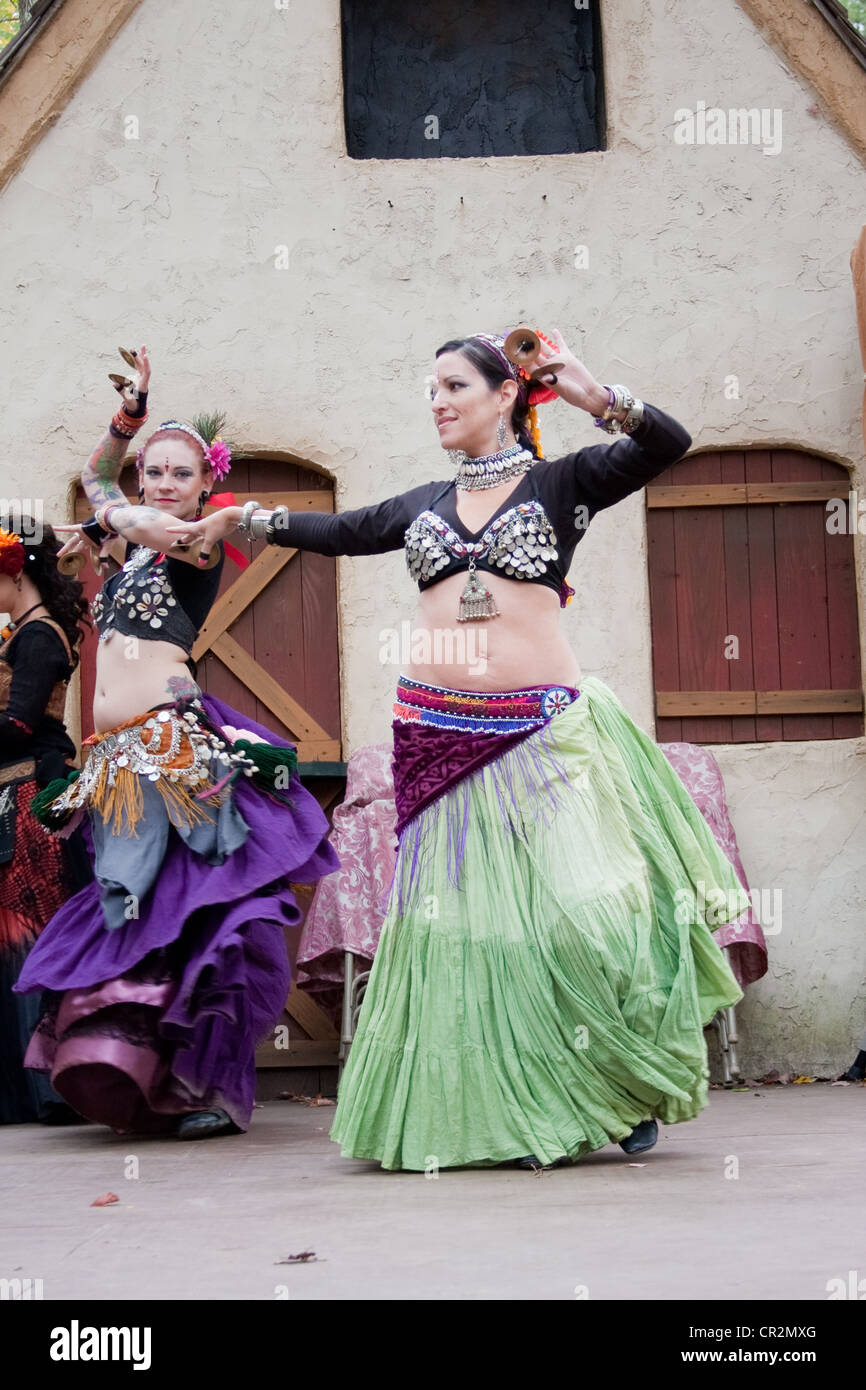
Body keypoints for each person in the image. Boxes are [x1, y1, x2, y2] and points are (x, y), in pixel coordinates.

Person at [173, 327, 752, 1170]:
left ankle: (616, 1077)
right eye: (430, 390)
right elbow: (336, 528)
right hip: (436, 730)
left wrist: (591, 394)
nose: (437, 402)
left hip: (543, 729)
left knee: (593, 910)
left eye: (453, 386)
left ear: (506, 394)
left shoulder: (566, 483)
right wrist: (243, 519)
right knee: (471, 933)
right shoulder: (422, 506)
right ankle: (514, 1106)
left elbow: (667, 444)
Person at [15, 347, 339, 1140]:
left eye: (178, 473)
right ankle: (144, 1084)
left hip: (174, 750)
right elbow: (99, 482)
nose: (159, 482)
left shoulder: (192, 543)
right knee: (136, 916)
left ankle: (203, 1089)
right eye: (151, 470)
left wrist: (125, 513)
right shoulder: (127, 548)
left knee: (197, 917)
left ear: (202, 485)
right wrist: (129, 415)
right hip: (120, 758)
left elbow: (121, 510)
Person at [0, 518, 90, 1125]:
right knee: (17, 936)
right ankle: (28, 1091)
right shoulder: (22, 634)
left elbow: (18, 725)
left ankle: (49, 1091)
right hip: (18, 791)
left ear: (14, 570)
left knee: (32, 933)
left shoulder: (39, 637)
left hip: (35, 792)